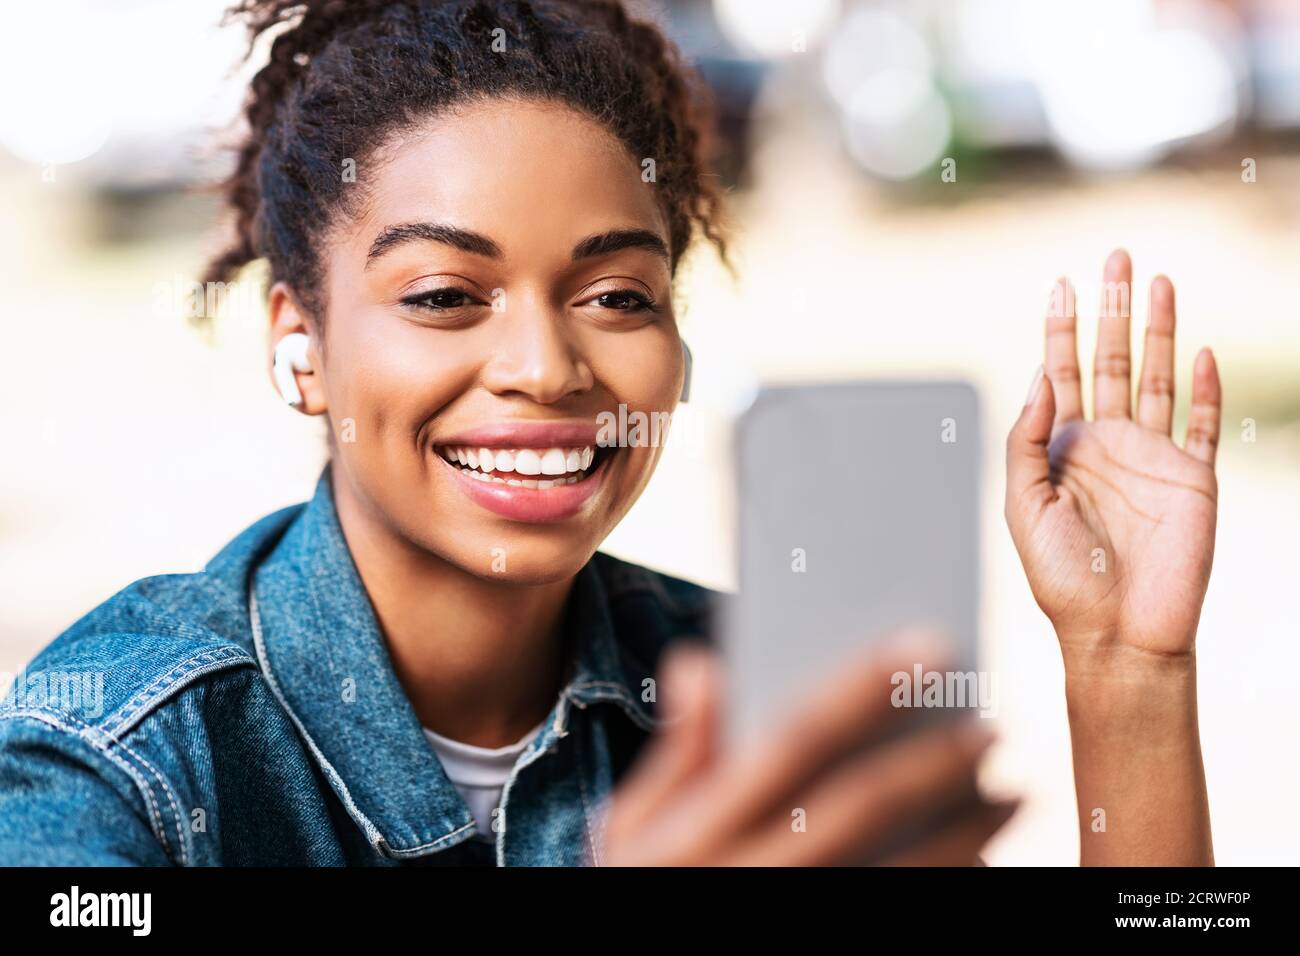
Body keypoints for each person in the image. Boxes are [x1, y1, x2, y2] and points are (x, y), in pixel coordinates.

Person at [0, 0, 1219, 866]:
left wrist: (1129, 675)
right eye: (441, 295)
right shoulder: (111, 753)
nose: (545, 367)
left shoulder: (763, 696)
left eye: (616, 296)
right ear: (300, 340)